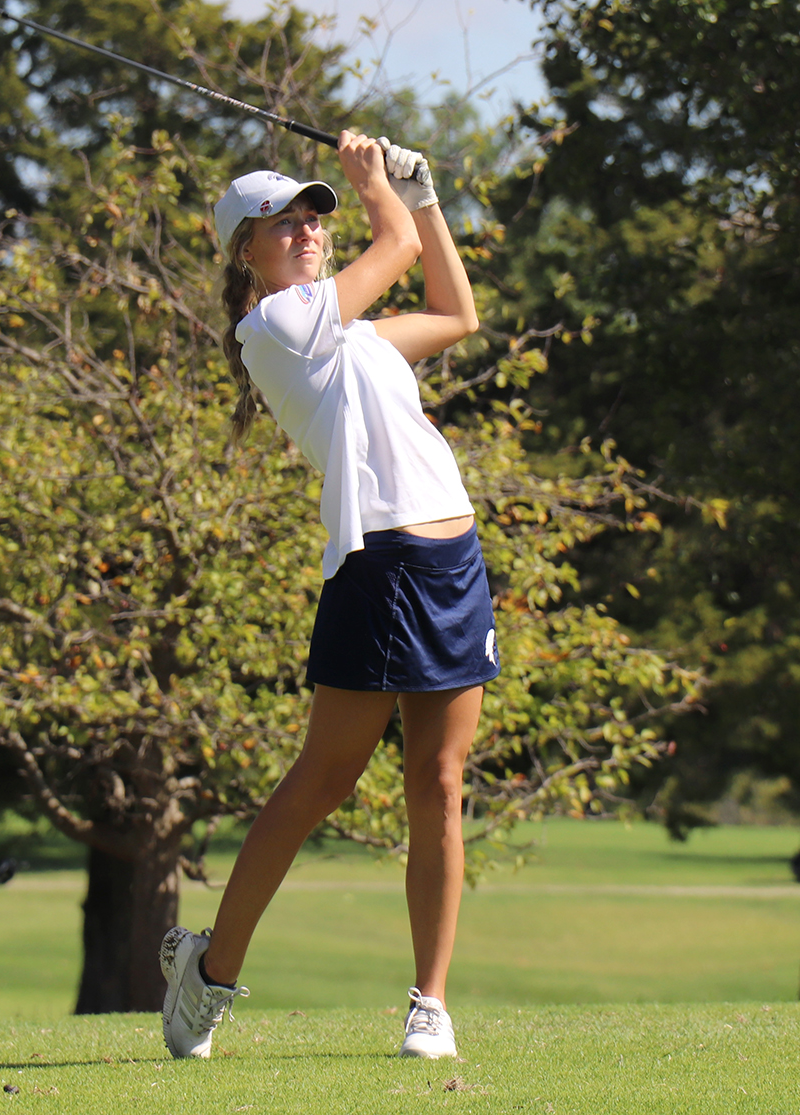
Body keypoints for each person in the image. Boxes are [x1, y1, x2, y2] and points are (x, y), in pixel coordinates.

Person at [159, 132, 488, 1061]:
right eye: (284, 223)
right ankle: (211, 971)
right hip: (374, 566)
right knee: (323, 781)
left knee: (440, 783)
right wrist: (382, 187)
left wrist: (424, 197)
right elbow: (398, 254)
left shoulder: (362, 340)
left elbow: (454, 313)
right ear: (246, 254)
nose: (307, 230)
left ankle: (430, 1001)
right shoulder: (272, 329)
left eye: (314, 217)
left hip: (451, 556)